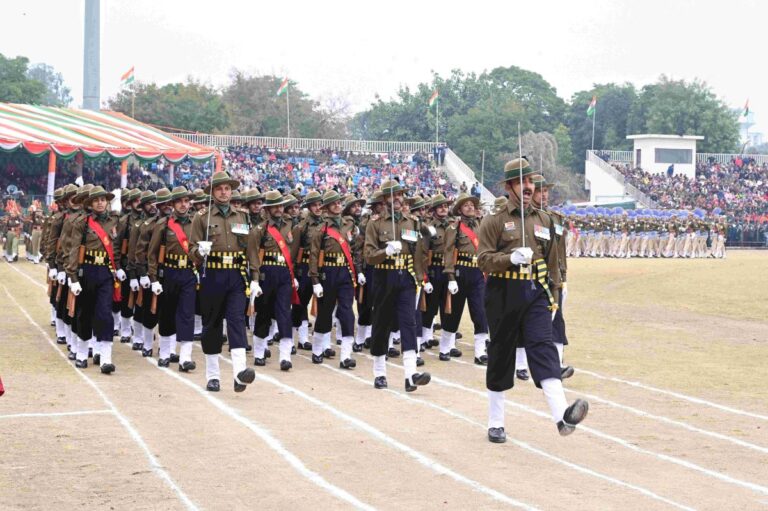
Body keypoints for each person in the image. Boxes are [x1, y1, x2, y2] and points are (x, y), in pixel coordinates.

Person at [477, 158, 588, 443]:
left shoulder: (544, 219)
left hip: (535, 292)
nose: (528, 187)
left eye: (530, 182)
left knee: (543, 346)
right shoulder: (494, 220)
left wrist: (555, 292)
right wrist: (509, 258)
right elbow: (484, 260)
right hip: (503, 293)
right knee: (501, 354)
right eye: (521, 182)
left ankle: (562, 416)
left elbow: (552, 261)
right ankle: (496, 422)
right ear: (509, 186)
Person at [189, 171, 256, 392]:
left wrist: (255, 277)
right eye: (219, 189)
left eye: (227, 188)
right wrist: (199, 252)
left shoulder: (242, 216)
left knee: (237, 320)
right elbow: (191, 249)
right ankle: (213, 375)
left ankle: (239, 373)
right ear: (212, 192)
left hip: (236, 275)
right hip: (212, 275)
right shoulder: (202, 217)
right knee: (212, 324)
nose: (224, 192)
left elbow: (250, 249)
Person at [364, 179, 431, 391]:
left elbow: (419, 253)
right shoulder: (375, 223)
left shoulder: (412, 222)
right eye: (394, 195)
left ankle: (411, 375)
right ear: (385, 199)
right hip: (384, 276)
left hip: (406, 277)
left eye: (401, 194)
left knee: (409, 322)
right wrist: (385, 251)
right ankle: (379, 372)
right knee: (382, 322)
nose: (398, 198)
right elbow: (368, 256)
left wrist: (420, 277)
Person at [65, 186, 124, 375]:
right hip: (87, 272)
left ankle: (106, 358)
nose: (100, 203)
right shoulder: (82, 222)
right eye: (96, 200)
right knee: (85, 313)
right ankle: (82, 353)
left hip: (106, 272)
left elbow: (116, 247)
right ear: (90, 203)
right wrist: (72, 276)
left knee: (105, 314)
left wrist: (118, 267)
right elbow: (74, 250)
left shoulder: (114, 220)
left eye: (103, 199)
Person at [247, 190, 300, 371]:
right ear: (268, 209)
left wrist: (293, 275)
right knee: (263, 312)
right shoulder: (259, 229)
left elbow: (294, 252)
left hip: (284, 273)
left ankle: (285, 357)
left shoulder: (291, 225)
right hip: (266, 273)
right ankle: (259, 353)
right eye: (275, 206)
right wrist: (255, 279)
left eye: (280, 206)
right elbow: (253, 255)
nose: (278, 209)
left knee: (284, 313)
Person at [147, 186, 198, 371]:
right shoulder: (163, 224)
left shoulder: (196, 223)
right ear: (173, 204)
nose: (183, 205)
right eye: (179, 201)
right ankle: (165, 353)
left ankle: (185, 357)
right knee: (167, 313)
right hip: (169, 272)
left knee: (187, 314)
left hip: (189, 272)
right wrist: (153, 278)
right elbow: (152, 253)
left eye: (186, 201)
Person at [309, 190, 361, 369]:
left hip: (345, 271)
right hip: (328, 272)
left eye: (339, 202)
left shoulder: (349, 224)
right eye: (334, 203)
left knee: (347, 312)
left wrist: (358, 271)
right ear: (327, 207)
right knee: (325, 312)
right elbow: (314, 255)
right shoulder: (321, 229)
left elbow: (356, 249)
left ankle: (346, 355)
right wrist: (315, 280)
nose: (338, 205)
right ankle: (317, 349)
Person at [442, 192, 489, 365]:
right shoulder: (454, 228)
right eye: (466, 205)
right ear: (460, 209)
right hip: (460, 272)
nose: (470, 207)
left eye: (472, 205)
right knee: (454, 312)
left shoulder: (480, 226)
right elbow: (448, 252)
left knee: (480, 312)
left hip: (477, 272)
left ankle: (480, 352)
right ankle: (446, 347)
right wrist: (450, 276)